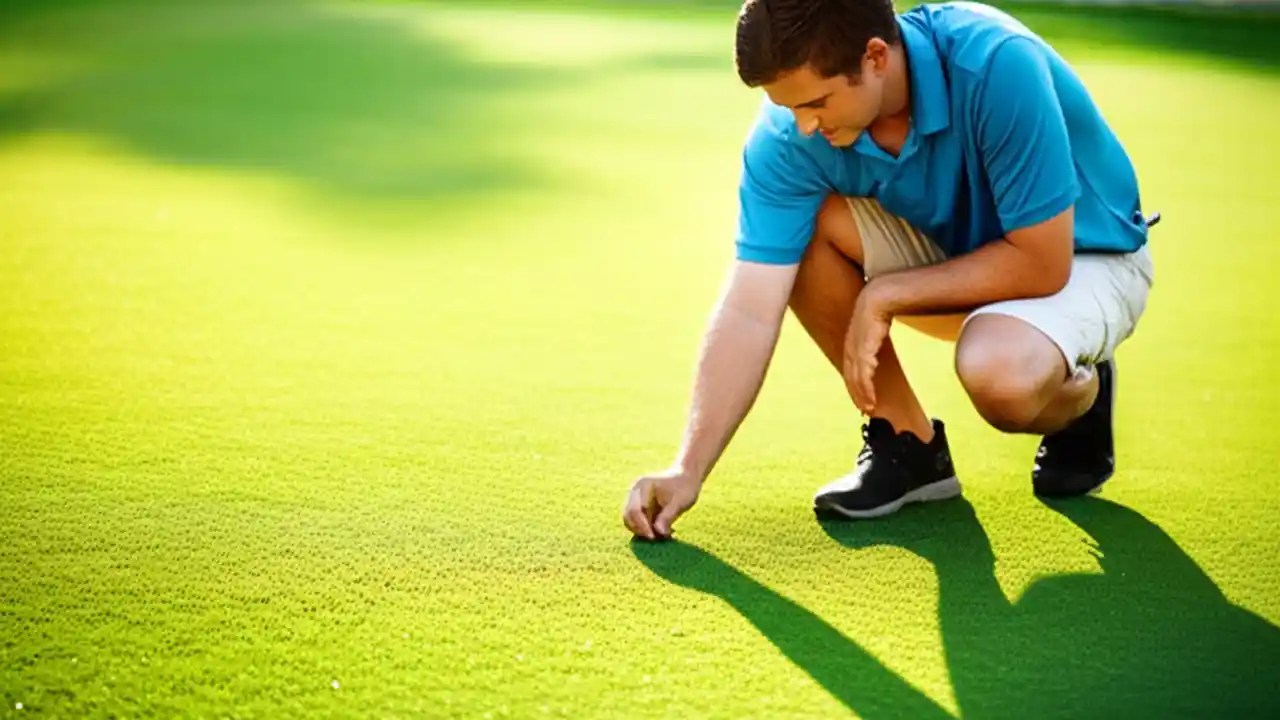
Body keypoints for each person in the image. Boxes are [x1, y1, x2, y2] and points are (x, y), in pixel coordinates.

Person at [622, 0, 1157, 540]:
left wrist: (886, 294)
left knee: (1000, 376)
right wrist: (687, 467)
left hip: (1084, 254)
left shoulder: (996, 62)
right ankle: (909, 446)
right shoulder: (792, 134)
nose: (804, 126)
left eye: (816, 103)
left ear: (875, 56)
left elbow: (1042, 263)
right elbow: (749, 307)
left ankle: (1083, 390)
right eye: (790, 109)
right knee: (800, 231)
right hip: (960, 255)